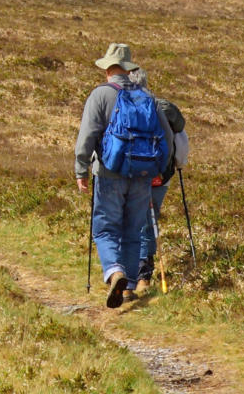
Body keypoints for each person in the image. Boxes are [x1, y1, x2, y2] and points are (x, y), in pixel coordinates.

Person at [74, 43, 174, 309]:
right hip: (142, 176)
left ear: (108, 69)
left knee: (105, 228)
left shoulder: (100, 95)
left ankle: (114, 271)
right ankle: (129, 287)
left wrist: (81, 169)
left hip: (109, 173)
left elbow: (87, 136)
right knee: (132, 231)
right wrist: (158, 170)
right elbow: (166, 140)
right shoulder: (147, 97)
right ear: (128, 69)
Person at [128, 67, 190, 293]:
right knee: (149, 222)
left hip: (131, 176)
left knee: (131, 221)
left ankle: (130, 273)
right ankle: (144, 275)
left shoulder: (123, 107)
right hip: (160, 178)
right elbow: (181, 143)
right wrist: (177, 166)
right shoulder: (163, 108)